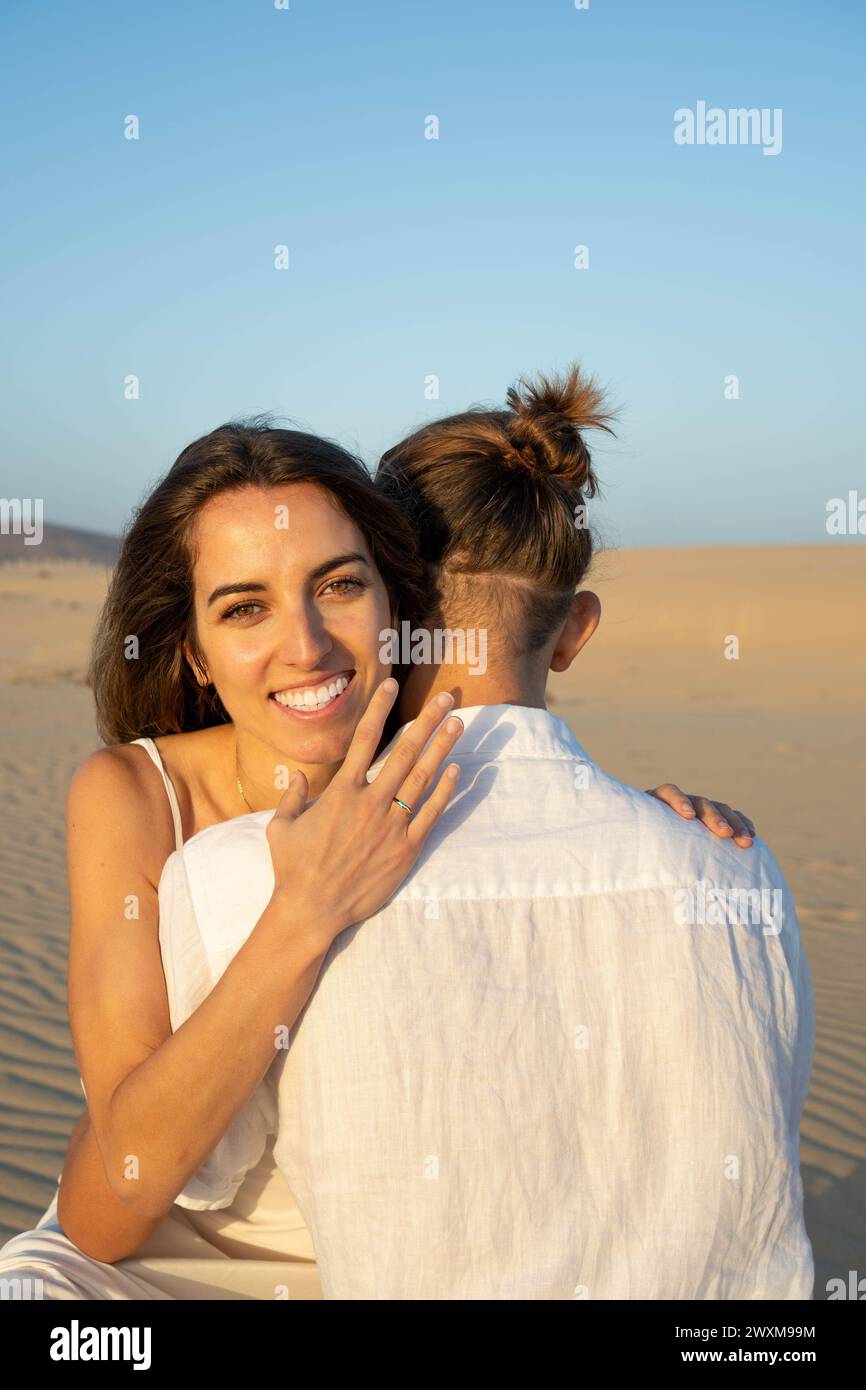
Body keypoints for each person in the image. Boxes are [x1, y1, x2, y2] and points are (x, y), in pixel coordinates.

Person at [0, 411, 758, 1300]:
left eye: (339, 586)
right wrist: (302, 912)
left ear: (399, 604)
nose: (308, 646)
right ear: (194, 654)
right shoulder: (133, 797)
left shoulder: (438, 764)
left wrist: (655, 818)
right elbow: (110, 1204)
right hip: (150, 1258)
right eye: (245, 608)